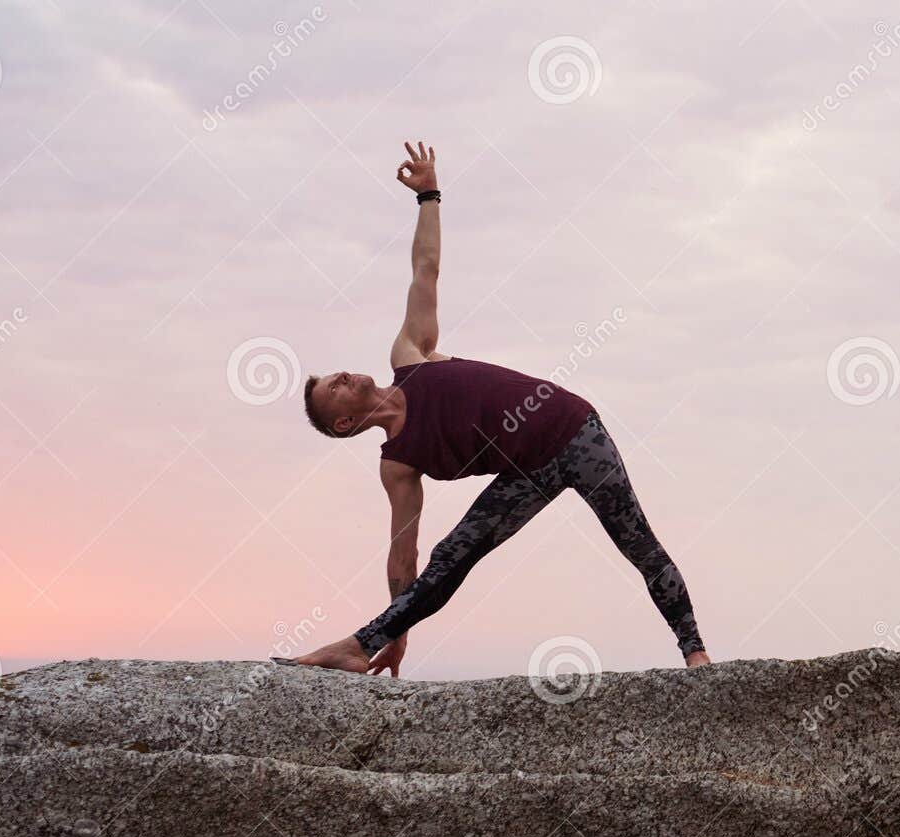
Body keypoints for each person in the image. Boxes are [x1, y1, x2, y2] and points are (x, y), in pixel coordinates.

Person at [289, 141, 708, 676]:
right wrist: (399, 631)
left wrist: (429, 195)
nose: (343, 375)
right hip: (526, 474)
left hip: (576, 432)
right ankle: (362, 643)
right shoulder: (397, 464)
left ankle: (695, 653)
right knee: (450, 555)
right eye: (334, 390)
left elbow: (426, 269)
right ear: (345, 424)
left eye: (335, 374)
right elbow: (403, 555)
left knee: (637, 543)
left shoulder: (410, 357)